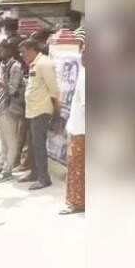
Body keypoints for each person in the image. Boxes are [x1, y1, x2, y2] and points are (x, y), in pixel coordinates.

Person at [19, 39, 60, 190]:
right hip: (33, 110)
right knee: (33, 145)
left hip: (41, 110)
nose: (22, 56)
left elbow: (53, 88)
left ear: (32, 50)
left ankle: (44, 178)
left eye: (23, 52)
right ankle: (35, 173)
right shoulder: (35, 64)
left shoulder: (44, 63)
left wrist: (56, 108)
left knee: (39, 145)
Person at [0, 40, 26, 182]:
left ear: (9, 50)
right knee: (3, 142)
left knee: (11, 142)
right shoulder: (2, 66)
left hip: (10, 109)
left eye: (0, 50)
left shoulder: (15, 67)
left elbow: (12, 90)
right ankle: (1, 166)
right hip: (1, 107)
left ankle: (8, 170)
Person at [60, 34, 86, 214]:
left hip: (81, 130)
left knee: (76, 167)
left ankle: (76, 202)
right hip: (80, 128)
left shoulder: (86, 76)